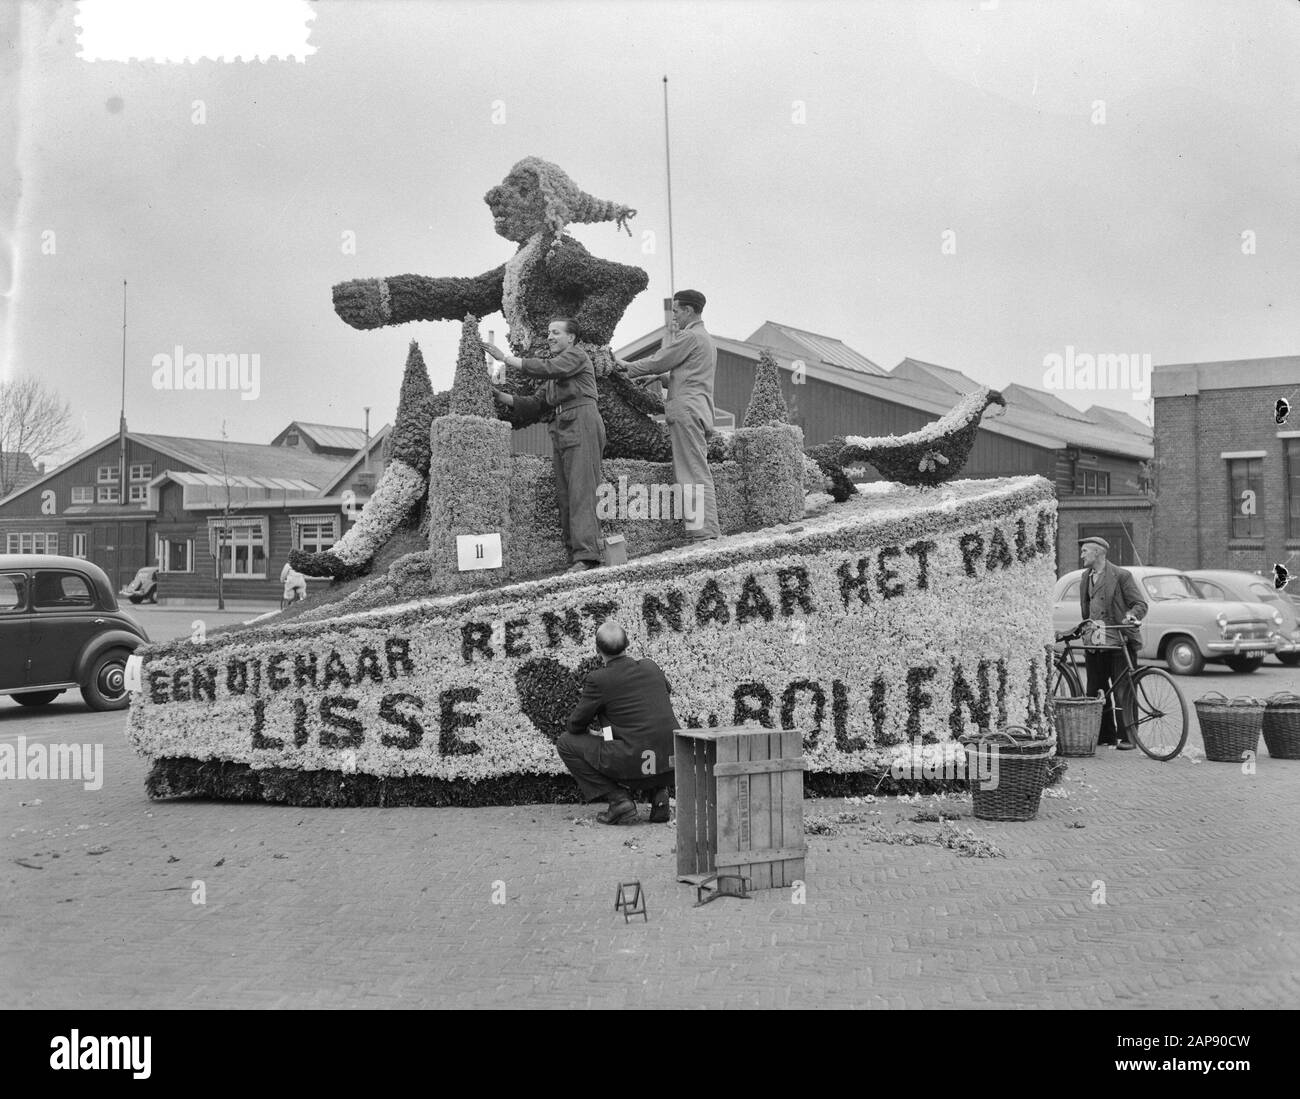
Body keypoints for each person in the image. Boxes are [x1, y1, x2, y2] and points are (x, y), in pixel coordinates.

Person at [485, 317, 607, 572]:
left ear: (571, 338)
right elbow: (535, 404)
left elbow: (547, 367)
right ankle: (576, 554)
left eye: (555, 332)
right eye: (548, 332)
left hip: (582, 421)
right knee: (565, 494)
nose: (549, 337)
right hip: (563, 426)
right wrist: (498, 396)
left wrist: (504, 358)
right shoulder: (554, 376)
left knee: (582, 491)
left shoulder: (576, 357)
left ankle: (588, 556)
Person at [613, 289, 721, 541]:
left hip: (686, 411)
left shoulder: (689, 337)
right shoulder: (705, 339)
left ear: (689, 310)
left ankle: (703, 533)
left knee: (691, 473)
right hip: (697, 409)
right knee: (695, 470)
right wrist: (664, 379)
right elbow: (689, 373)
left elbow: (658, 360)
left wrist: (625, 367)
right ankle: (704, 531)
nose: (674, 317)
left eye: (676, 311)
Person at [556, 621, 678, 825]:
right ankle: (659, 796)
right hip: (670, 763)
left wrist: (600, 723)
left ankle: (619, 800)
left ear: (597, 650)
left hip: (632, 766)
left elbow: (575, 726)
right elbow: (665, 692)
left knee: (565, 743)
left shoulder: (598, 680)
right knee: (650, 730)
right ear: (627, 643)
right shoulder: (650, 666)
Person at [1077, 536, 1147, 749]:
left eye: (1085, 551)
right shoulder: (1085, 577)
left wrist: (1133, 616)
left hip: (1118, 641)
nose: (1082, 555)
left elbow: (1140, 604)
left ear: (1098, 553)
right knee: (1095, 689)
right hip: (1094, 643)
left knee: (1123, 690)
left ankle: (1128, 737)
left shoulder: (1121, 576)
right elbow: (1087, 607)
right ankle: (1104, 735)